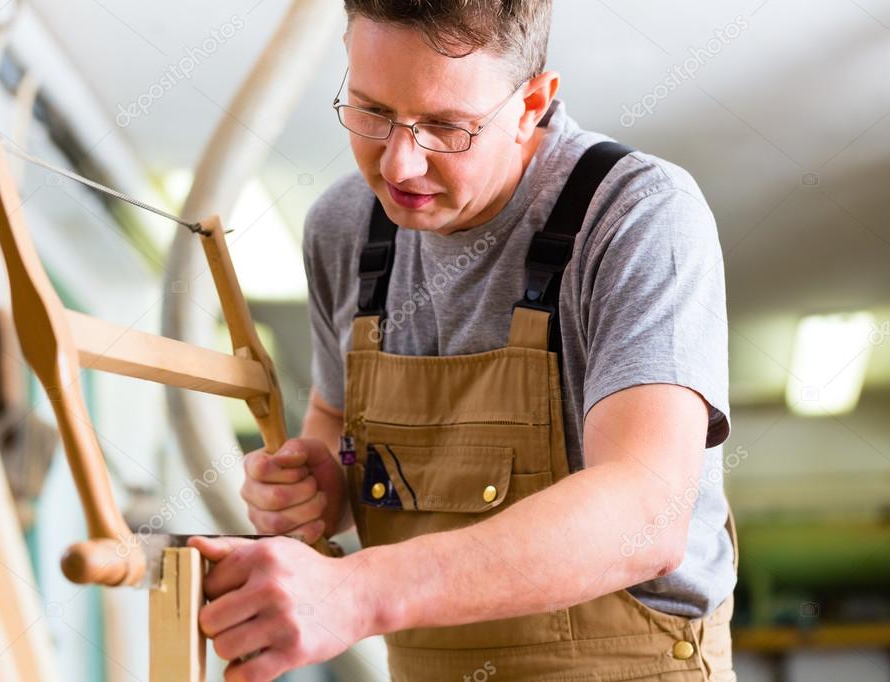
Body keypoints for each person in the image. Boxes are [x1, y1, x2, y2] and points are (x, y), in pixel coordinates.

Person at [188, 2, 738, 680]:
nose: (399, 165)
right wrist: (321, 484)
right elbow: (334, 419)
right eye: (371, 111)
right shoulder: (344, 226)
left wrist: (359, 593)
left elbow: (645, 513)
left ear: (532, 104)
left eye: (445, 127)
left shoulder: (637, 214)